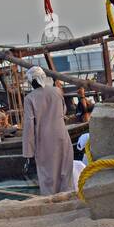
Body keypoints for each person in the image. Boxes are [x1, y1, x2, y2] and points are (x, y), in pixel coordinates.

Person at [21, 66, 75, 195]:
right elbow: (63, 111)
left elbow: (29, 125)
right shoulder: (57, 91)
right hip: (62, 136)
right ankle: (68, 199)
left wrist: (28, 152)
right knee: (65, 171)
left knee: (48, 175)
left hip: (44, 140)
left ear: (31, 82)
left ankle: (52, 202)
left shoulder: (29, 98)